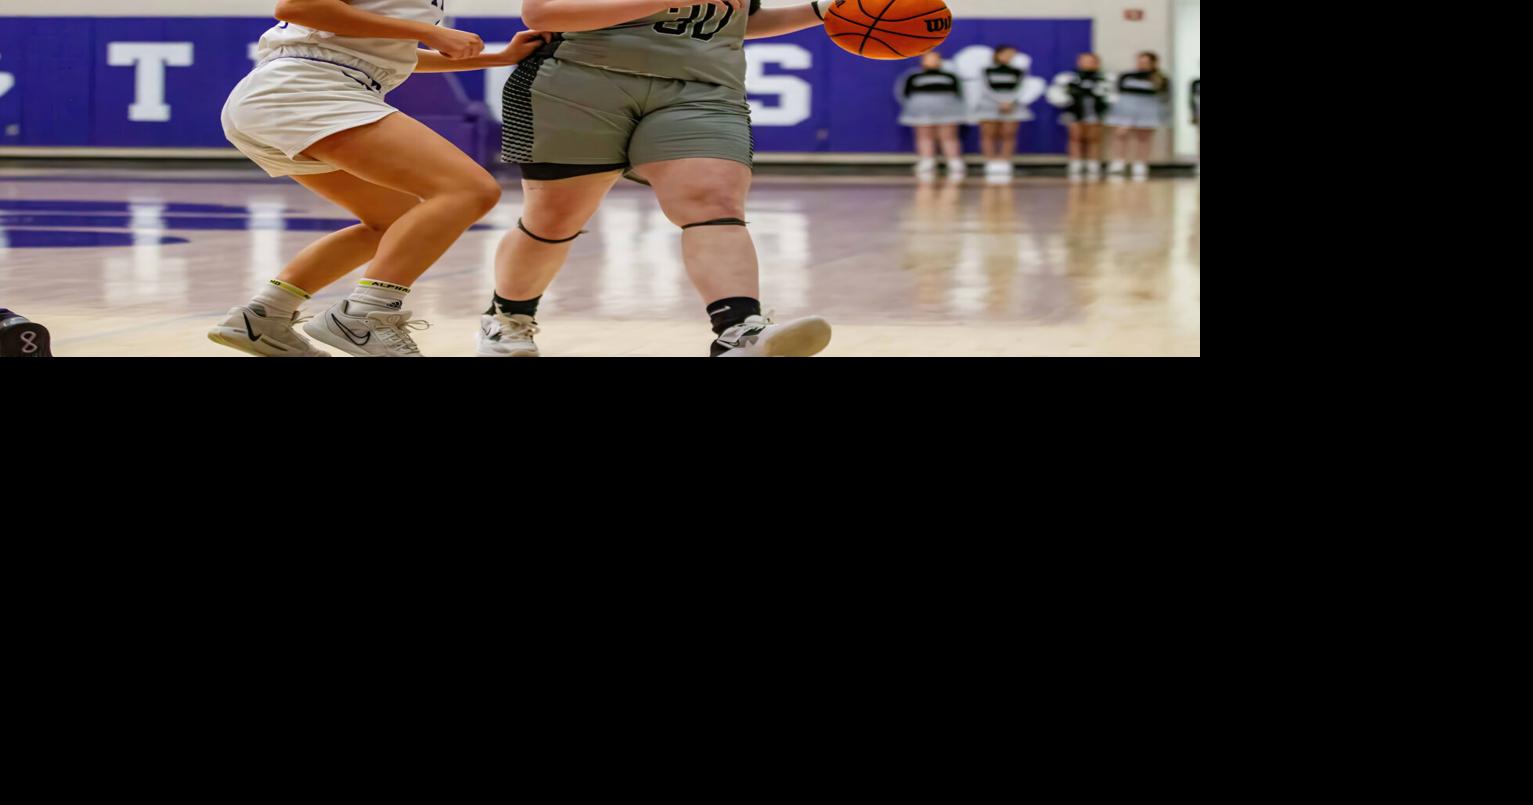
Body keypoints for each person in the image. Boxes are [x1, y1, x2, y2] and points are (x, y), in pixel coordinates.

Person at [484, 0, 836, 357]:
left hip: (702, 86)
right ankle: (508, 317)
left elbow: (740, 18)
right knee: (554, 218)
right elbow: (542, 13)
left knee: (714, 200)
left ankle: (738, 330)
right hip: (581, 78)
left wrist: (822, 10)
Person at [210, 0, 546, 357]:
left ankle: (265, 315)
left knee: (394, 223)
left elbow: (382, 52)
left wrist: (493, 59)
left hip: (285, 94)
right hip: (307, 88)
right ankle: (366, 315)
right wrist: (429, 31)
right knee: (469, 190)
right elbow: (298, 6)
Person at [897, 50, 969, 182]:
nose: (932, 61)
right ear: (922, 61)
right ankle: (927, 161)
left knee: (949, 137)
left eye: (935, 58)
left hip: (948, 112)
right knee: (924, 137)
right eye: (928, 59)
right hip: (921, 113)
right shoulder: (913, 76)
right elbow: (903, 94)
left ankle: (954, 162)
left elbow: (960, 94)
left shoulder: (950, 76)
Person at [1106, 50, 1170, 181]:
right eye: (1140, 61)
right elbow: (1117, 92)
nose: (1142, 64)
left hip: (1148, 108)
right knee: (1121, 134)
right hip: (1126, 108)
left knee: (1144, 137)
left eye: (1146, 62)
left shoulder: (1160, 78)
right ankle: (1118, 163)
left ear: (1153, 63)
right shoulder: (1126, 76)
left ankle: (1140, 164)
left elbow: (1164, 96)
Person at [1046, 52, 1111, 179]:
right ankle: (1075, 163)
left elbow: (1109, 95)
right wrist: (1067, 100)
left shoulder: (1103, 78)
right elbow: (1056, 94)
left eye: (1090, 61)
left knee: (1093, 137)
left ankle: (1093, 164)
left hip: (1094, 111)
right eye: (1084, 61)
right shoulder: (1068, 78)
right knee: (1075, 137)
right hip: (1074, 110)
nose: (1087, 63)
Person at [974, 45, 1031, 180]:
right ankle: (990, 161)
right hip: (989, 104)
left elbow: (1021, 87)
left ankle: (1005, 161)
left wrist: (1010, 100)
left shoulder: (1018, 71)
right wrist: (999, 100)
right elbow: (984, 87)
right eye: (1006, 53)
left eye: (1012, 54)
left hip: (1011, 105)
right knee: (989, 134)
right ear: (998, 54)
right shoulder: (986, 70)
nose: (1009, 57)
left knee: (1008, 134)